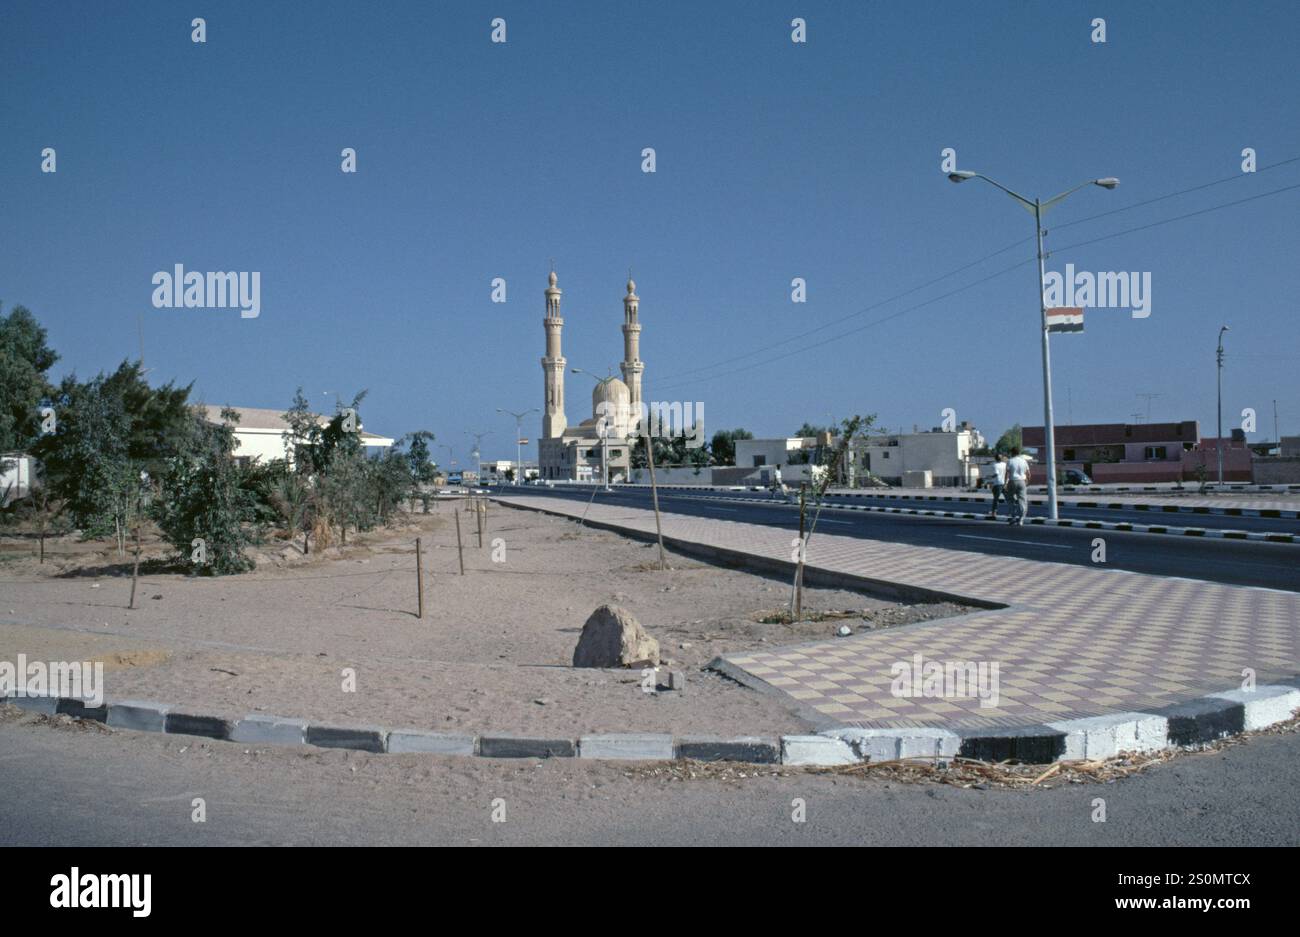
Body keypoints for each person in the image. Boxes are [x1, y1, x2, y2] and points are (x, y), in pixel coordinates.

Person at [1005, 447, 1031, 525]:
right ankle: (1021, 519)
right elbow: (1029, 474)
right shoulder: (1024, 461)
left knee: (1010, 500)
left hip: (1012, 481)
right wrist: (1027, 482)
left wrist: (1005, 483)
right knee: (1022, 500)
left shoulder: (1010, 461)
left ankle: (1013, 517)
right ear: (1019, 453)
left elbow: (1007, 473)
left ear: (1012, 453)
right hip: (1022, 481)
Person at [985, 453, 1008, 518]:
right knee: (1008, 498)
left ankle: (994, 512)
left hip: (997, 484)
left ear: (995, 458)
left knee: (996, 499)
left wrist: (989, 477)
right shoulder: (1005, 464)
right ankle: (1011, 512)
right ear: (1002, 458)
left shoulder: (995, 465)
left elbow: (996, 474)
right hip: (1004, 483)